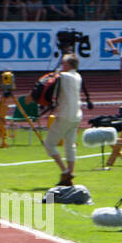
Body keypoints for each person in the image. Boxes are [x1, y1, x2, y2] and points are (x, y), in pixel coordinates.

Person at [45, 53, 83, 185]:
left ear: (69, 64)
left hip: (64, 115)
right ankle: (70, 172)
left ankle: (65, 171)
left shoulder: (64, 76)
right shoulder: (78, 76)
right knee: (70, 145)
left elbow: (51, 79)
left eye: (63, 63)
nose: (61, 65)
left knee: (49, 144)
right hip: (76, 115)